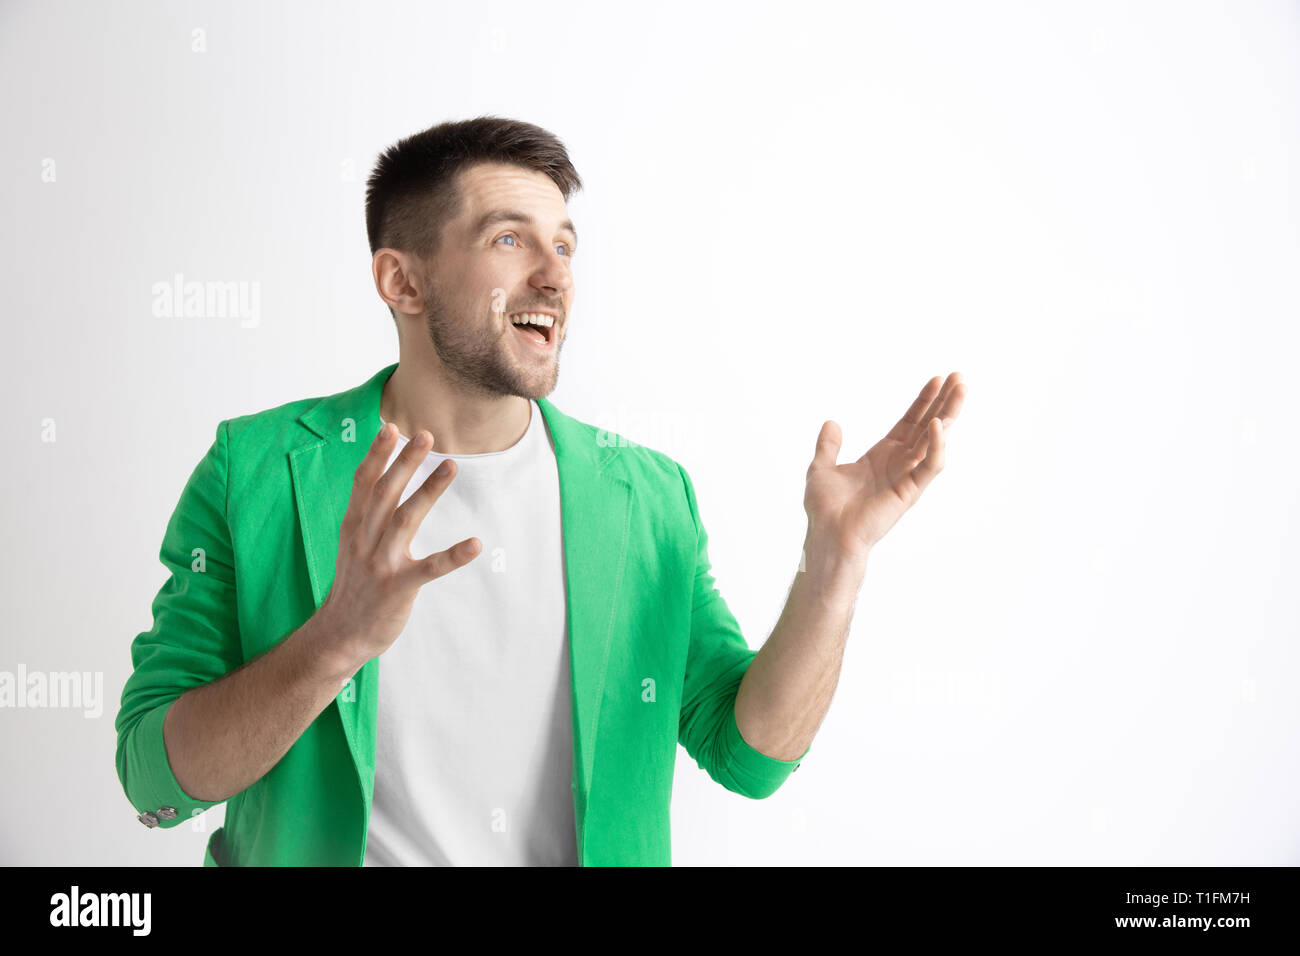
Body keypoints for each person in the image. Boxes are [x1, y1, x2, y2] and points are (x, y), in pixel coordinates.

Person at [115, 115, 966, 866]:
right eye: (509, 240)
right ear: (402, 282)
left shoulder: (647, 496)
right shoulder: (257, 468)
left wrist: (836, 562)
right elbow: (154, 778)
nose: (555, 277)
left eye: (564, 245)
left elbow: (749, 754)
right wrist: (336, 640)